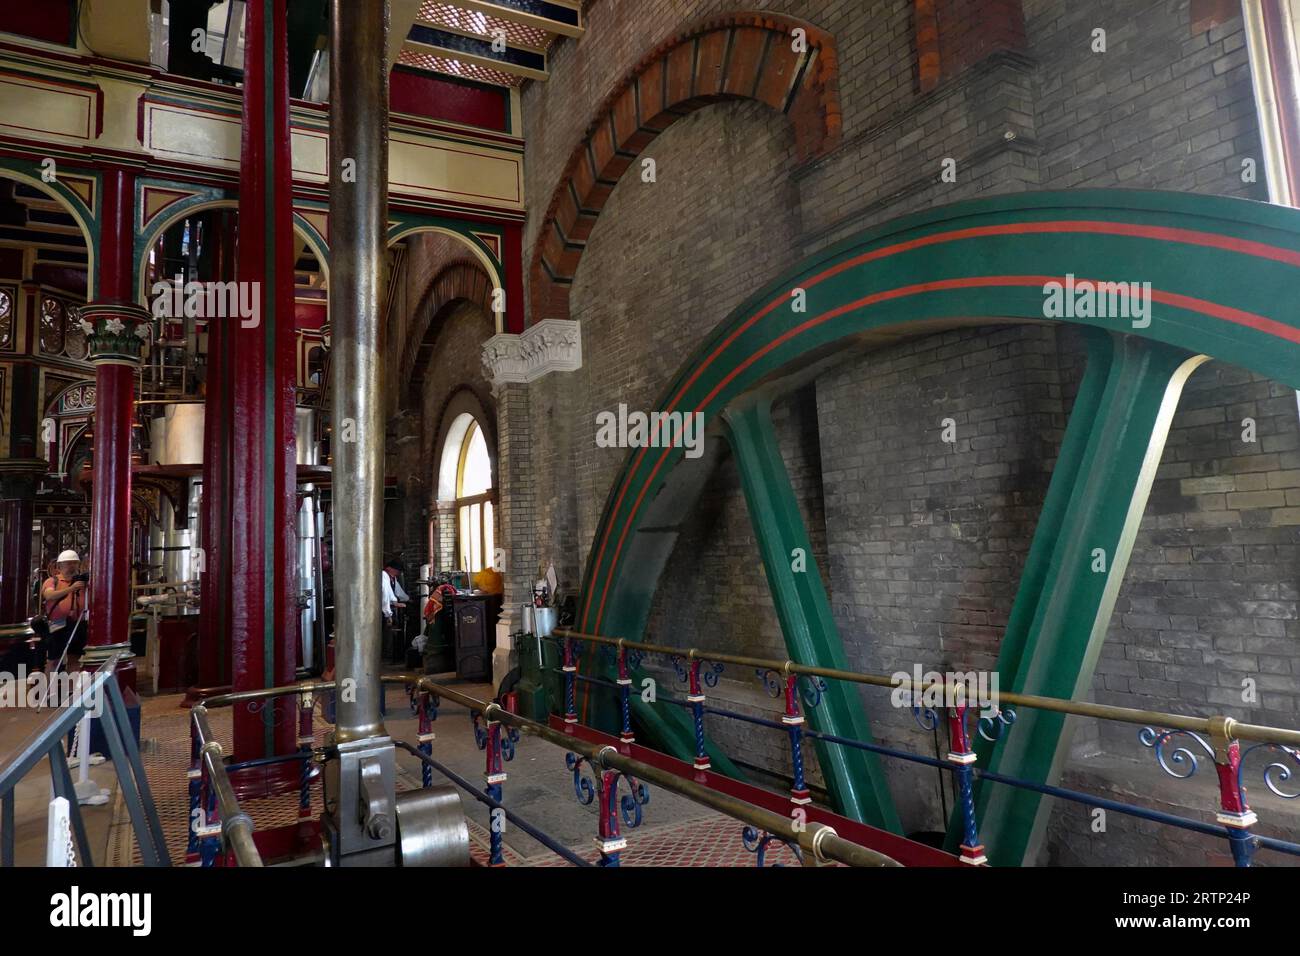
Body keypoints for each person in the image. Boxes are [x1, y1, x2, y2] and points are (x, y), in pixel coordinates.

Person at [41, 549, 88, 677]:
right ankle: (49, 692)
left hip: (78, 625)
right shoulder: (52, 581)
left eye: (74, 563)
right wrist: (71, 588)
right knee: (54, 660)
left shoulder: (83, 583)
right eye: (68, 563)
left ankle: (72, 692)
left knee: (75, 659)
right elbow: (49, 595)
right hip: (58, 625)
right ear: (60, 566)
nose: (71, 566)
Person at [381, 561, 410, 663]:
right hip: (382, 610)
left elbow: (398, 592)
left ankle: (389, 656)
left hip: (388, 608)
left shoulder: (392, 578)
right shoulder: (383, 576)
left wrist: (408, 599)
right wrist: (387, 613)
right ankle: (385, 657)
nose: (397, 573)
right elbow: (384, 594)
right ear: (389, 568)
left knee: (390, 632)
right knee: (386, 634)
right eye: (396, 570)